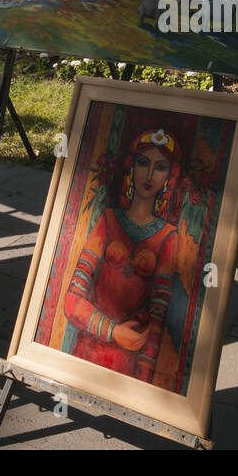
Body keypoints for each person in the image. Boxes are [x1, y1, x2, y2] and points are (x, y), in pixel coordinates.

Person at [63, 127, 182, 384]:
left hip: (130, 365)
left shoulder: (168, 237)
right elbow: (72, 300)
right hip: (87, 351)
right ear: (131, 167)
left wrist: (144, 378)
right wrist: (113, 330)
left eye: (160, 167)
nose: (149, 175)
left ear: (168, 178)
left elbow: (158, 321)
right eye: (143, 163)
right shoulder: (108, 221)